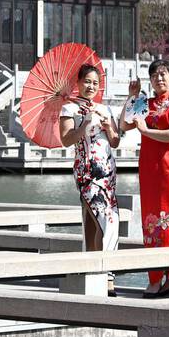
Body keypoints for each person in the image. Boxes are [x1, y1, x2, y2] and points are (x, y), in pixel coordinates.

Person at [121, 60, 169, 297]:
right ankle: (155, 276)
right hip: (149, 168)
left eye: (163, 74)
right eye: (155, 75)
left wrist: (146, 131)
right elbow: (123, 125)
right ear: (149, 80)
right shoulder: (145, 103)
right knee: (150, 219)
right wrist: (131, 97)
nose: (159, 79)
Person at [59, 63, 121, 294]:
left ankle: (93, 272)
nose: (91, 86)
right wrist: (84, 124)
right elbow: (66, 140)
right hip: (87, 172)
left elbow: (115, 142)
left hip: (108, 173)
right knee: (108, 221)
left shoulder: (104, 109)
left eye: (95, 82)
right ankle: (107, 276)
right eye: (87, 81)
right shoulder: (69, 109)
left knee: (93, 224)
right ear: (78, 83)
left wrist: (109, 128)